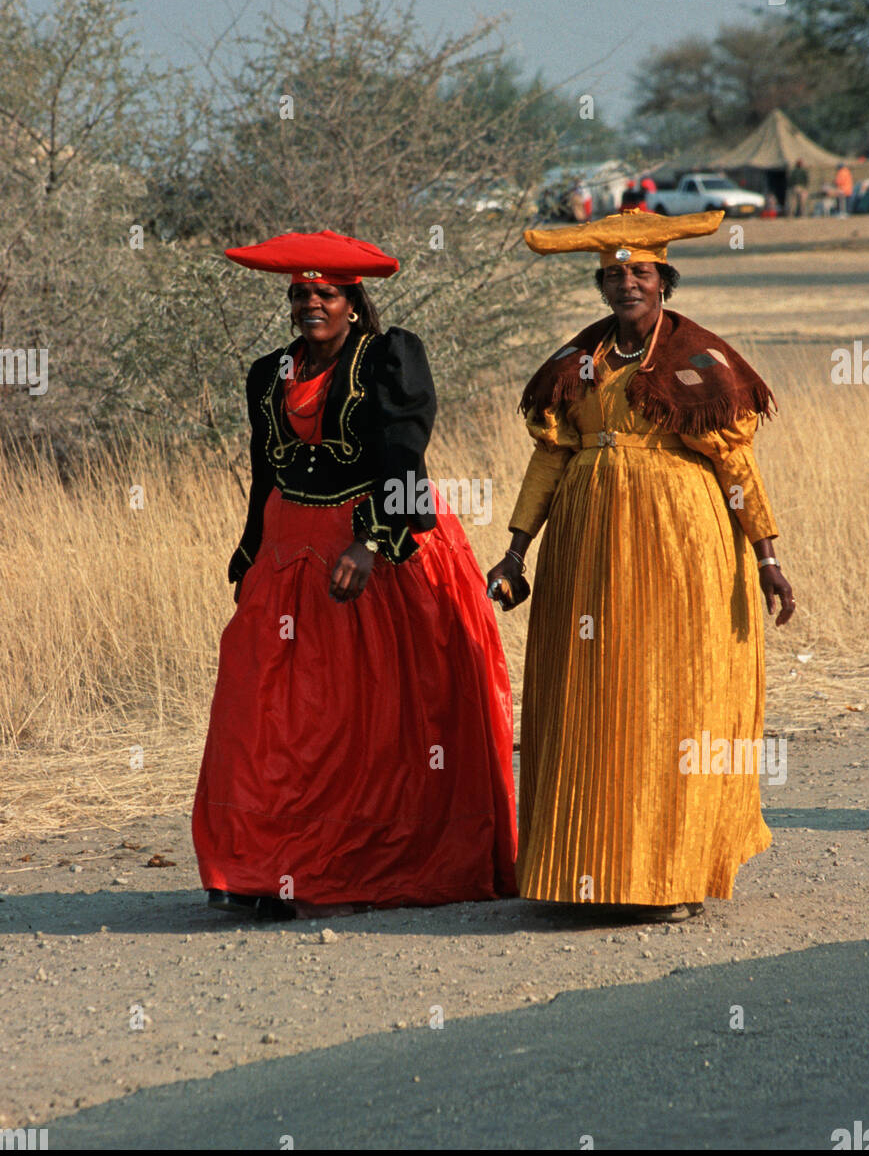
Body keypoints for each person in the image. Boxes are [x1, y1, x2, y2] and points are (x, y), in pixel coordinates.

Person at [192, 229, 517, 918]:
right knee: (267, 710)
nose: (311, 303)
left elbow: (405, 455)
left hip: (378, 548)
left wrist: (370, 542)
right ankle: (257, 867)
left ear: (352, 302)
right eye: (300, 293)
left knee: (372, 714)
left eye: (325, 294)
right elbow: (264, 471)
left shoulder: (389, 359)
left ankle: (365, 864)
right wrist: (249, 553)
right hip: (289, 551)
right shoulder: (270, 373)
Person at [487, 210, 795, 924]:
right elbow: (549, 458)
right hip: (586, 554)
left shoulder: (701, 362)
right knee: (589, 699)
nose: (628, 283)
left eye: (641, 273)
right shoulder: (579, 363)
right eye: (615, 274)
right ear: (602, 286)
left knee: (671, 697)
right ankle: (586, 870)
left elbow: (735, 463)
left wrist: (766, 553)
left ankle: (673, 868)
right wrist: (514, 549)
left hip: (680, 551)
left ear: (664, 282)